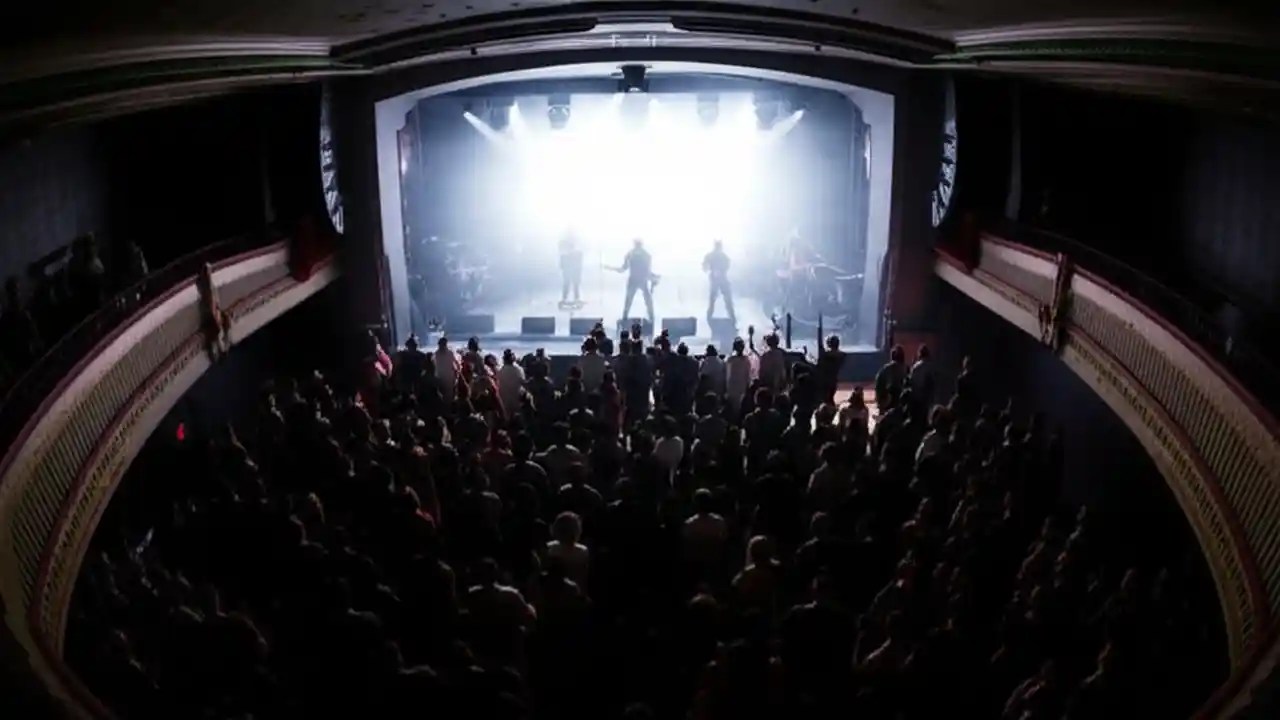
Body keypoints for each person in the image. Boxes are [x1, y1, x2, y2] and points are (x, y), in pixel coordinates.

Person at [615, 238, 655, 327]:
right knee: (643, 300)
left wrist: (619, 269)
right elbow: (647, 270)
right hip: (639, 280)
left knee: (630, 300)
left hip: (636, 280)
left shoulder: (632, 254)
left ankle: (625, 318)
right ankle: (651, 317)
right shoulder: (645, 255)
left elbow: (623, 268)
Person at [702, 239, 735, 324]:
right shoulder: (716, 256)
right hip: (717, 279)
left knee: (723, 298)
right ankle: (731, 316)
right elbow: (704, 266)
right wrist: (711, 269)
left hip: (721, 279)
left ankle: (731, 316)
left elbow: (727, 265)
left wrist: (719, 271)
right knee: (714, 298)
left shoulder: (720, 256)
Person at [725, 337, 754, 417]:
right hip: (742, 388)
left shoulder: (730, 360)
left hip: (731, 389)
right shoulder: (746, 360)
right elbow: (748, 376)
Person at [874, 344, 906, 411]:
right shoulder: (906, 369)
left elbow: (878, 386)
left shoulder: (884, 370)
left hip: (886, 404)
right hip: (901, 406)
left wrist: (880, 402)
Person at [497, 349, 525, 414]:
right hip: (516, 399)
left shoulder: (500, 370)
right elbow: (522, 383)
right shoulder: (519, 369)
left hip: (504, 400)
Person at [559, 233, 583, 303]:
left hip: (573, 273)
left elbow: (562, 266)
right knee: (568, 284)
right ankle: (566, 298)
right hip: (569, 273)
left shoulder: (577, 254)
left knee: (574, 285)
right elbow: (562, 266)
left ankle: (575, 298)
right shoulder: (565, 256)